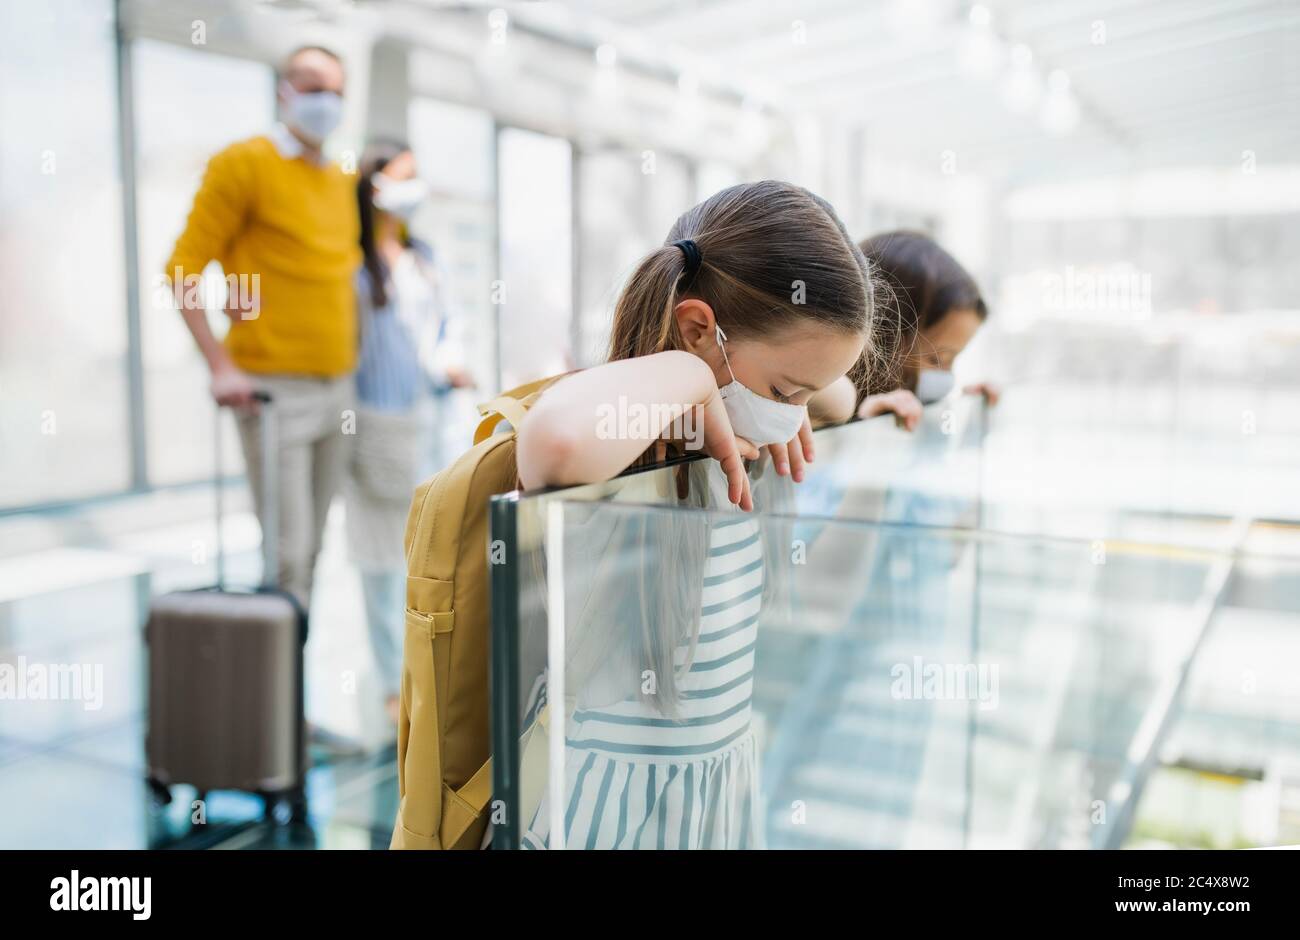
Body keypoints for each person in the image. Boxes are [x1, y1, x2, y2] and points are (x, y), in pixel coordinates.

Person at [511, 181, 879, 849]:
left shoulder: (751, 423)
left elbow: (842, 395)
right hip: (611, 809)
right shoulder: (628, 439)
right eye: (784, 392)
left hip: (713, 789)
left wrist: (799, 396)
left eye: (803, 395)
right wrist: (691, 377)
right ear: (697, 329)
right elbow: (554, 442)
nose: (794, 413)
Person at [165, 45, 361, 611]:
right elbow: (181, 270)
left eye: (335, 89)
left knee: (317, 551)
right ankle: (275, 697)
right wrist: (221, 366)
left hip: (337, 388)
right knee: (288, 553)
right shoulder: (242, 163)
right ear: (283, 90)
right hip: (273, 390)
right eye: (309, 83)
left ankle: (289, 687)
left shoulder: (339, 179)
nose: (323, 99)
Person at [346, 141, 471, 727]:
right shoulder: (349, 264)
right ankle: (393, 691)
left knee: (434, 551)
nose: (416, 187)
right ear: (374, 186)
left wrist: (450, 358)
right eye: (406, 177)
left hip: (432, 420)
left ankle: (431, 678)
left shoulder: (425, 257)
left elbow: (448, 326)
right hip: (375, 427)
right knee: (379, 557)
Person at [811, 230, 997, 430]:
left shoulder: (911, 402)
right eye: (938, 359)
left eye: (952, 361)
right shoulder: (816, 401)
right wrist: (869, 425)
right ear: (883, 337)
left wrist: (966, 411)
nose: (947, 376)